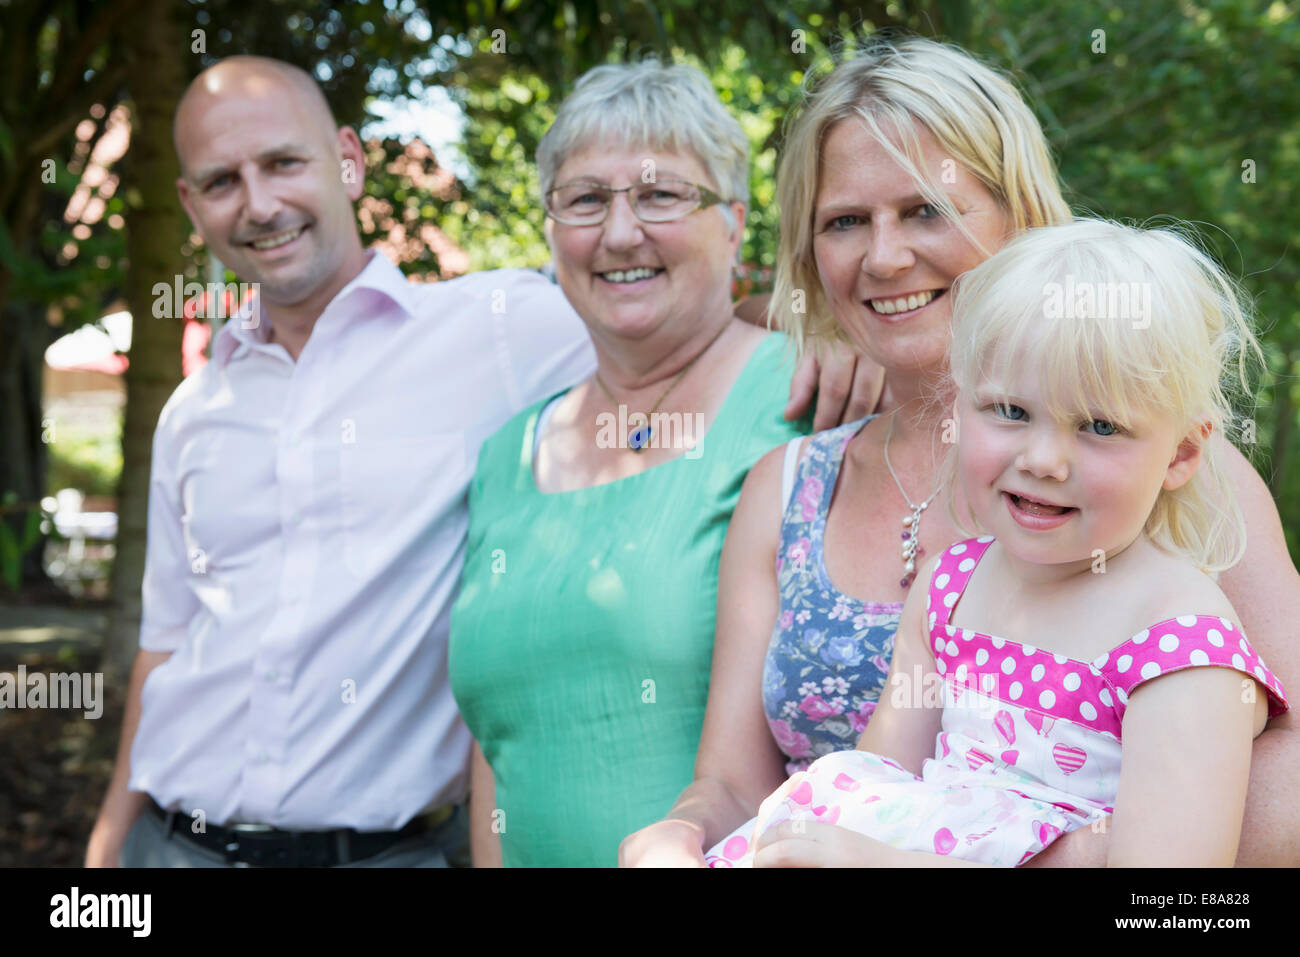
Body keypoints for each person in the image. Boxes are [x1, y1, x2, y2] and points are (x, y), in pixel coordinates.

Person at [83, 55, 866, 868]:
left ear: (348, 161)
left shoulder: (493, 329)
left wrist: (830, 325)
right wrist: (108, 843)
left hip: (393, 853)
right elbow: (168, 643)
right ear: (190, 204)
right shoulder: (195, 410)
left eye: (284, 162)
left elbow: (663, 305)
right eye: (221, 181)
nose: (260, 202)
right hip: (173, 848)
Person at [620, 35, 1300, 868]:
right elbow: (773, 781)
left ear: (1018, 213)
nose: (885, 255)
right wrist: (681, 833)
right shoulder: (800, 486)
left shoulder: (1170, 493)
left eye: (926, 209)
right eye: (844, 222)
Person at [704, 218, 1288, 867]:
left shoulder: (1180, 636)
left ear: (1181, 453)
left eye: (1099, 425)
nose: (1042, 458)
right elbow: (876, 788)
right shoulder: (951, 587)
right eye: (1010, 411)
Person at [448, 60, 834, 867]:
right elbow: (498, 744)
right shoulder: (506, 454)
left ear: (732, 222)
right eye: (586, 200)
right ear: (552, 232)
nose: (620, 233)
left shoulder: (811, 397)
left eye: (660, 196)